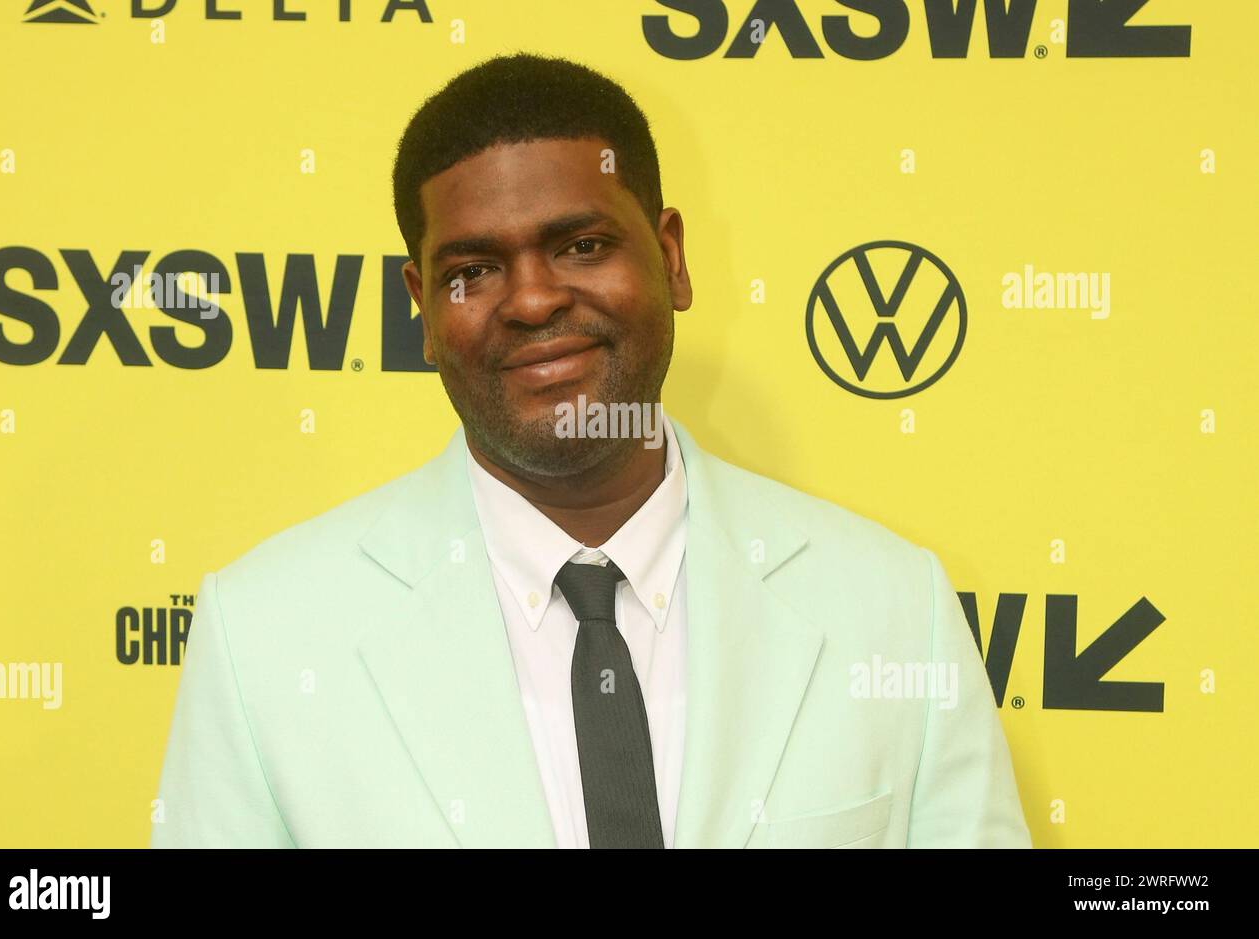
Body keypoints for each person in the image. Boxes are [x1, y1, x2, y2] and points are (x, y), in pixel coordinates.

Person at [150, 52, 1031, 849]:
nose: (533, 301)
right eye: (474, 270)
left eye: (582, 245)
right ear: (421, 304)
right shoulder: (265, 634)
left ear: (672, 257)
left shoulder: (887, 603)